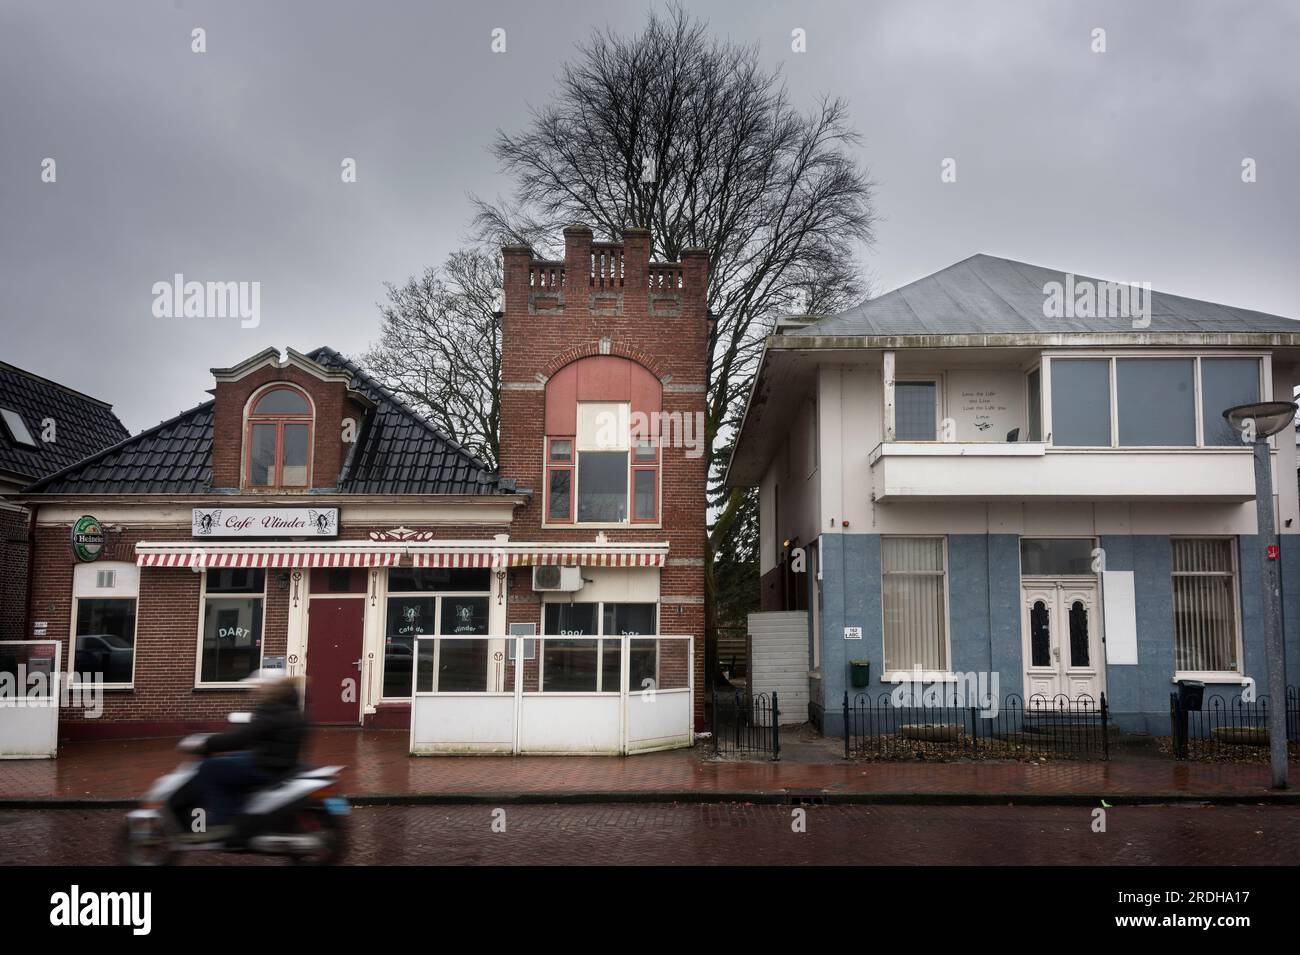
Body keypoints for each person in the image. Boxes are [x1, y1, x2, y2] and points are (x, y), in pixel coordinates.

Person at [186, 670, 306, 842]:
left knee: (208, 768)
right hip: (274, 759)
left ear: (269, 688)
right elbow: (256, 737)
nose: (253, 691)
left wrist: (207, 744)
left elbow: (242, 738)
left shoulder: (273, 710)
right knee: (232, 760)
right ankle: (239, 813)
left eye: (257, 686)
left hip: (266, 764)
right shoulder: (286, 707)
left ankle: (221, 823)